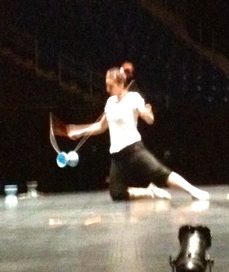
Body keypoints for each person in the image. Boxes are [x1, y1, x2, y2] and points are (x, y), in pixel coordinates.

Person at [63, 67, 210, 202]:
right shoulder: (109, 102)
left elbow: (149, 119)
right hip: (117, 156)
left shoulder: (133, 98)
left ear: (121, 84)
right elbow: (101, 126)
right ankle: (150, 191)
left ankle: (194, 191)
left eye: (110, 85)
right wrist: (79, 131)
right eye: (106, 85)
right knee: (117, 194)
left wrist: (148, 115)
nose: (107, 89)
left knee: (161, 174)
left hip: (134, 149)